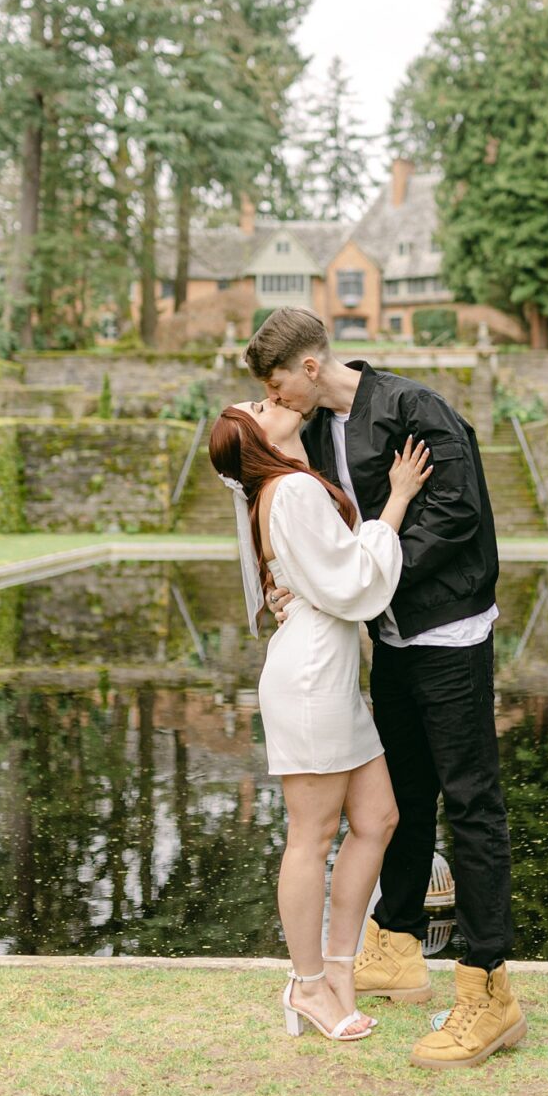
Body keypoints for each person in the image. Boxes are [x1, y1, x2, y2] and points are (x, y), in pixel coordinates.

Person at [246, 308, 524, 1070]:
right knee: (402, 795)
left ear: (307, 371)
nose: (274, 403)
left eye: (275, 387)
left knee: (472, 801)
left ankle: (489, 989)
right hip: (392, 639)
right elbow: (336, 550)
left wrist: (370, 588)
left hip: (448, 636)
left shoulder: (413, 409)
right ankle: (398, 946)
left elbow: (457, 514)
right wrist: (305, 589)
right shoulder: (317, 441)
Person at [208, 398, 430, 1043]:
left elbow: (323, 575)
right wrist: (397, 500)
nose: (268, 401)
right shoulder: (293, 489)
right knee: (310, 835)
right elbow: (355, 581)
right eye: (255, 406)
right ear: (255, 440)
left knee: (378, 818)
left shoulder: (286, 488)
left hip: (330, 677)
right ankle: (306, 985)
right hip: (310, 679)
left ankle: (338, 968)